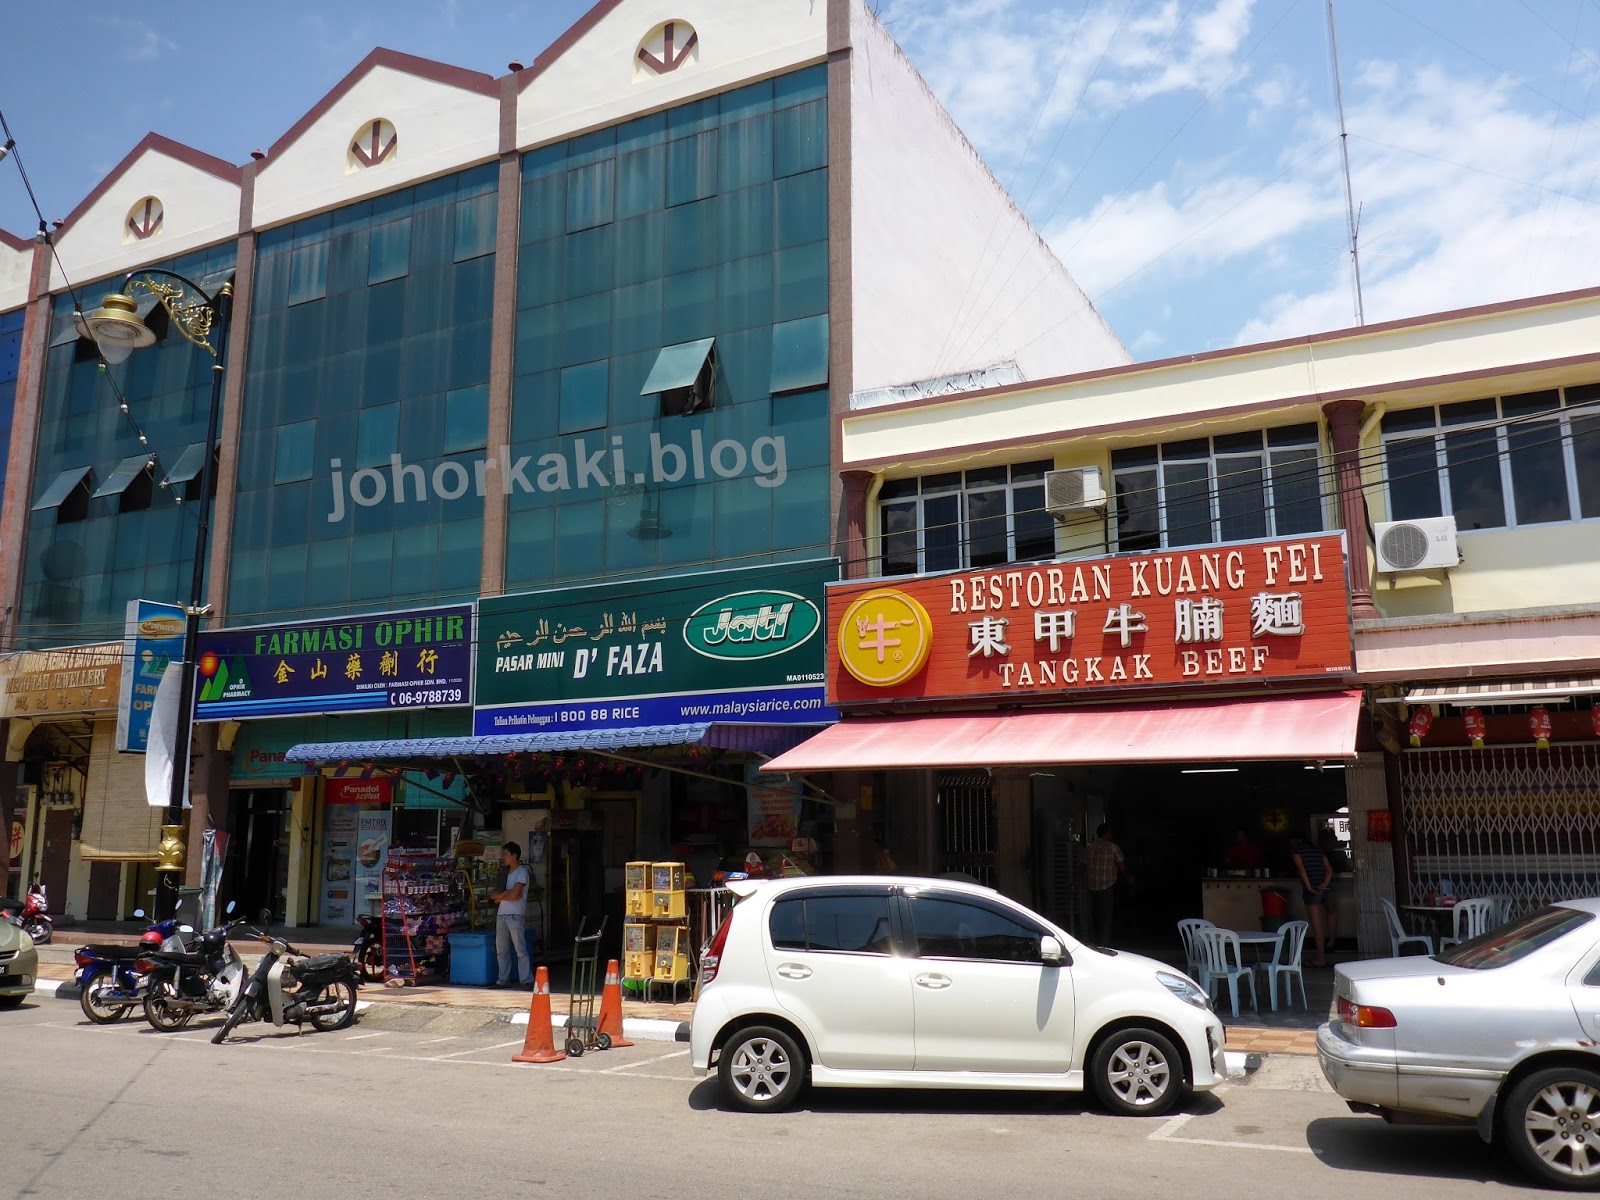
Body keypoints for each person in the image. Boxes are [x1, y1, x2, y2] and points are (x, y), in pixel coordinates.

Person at [490, 841, 533, 988]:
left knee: (520, 949)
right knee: (501, 949)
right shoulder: (503, 873)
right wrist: (505, 894)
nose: (503, 857)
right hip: (502, 914)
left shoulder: (522, 872)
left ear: (514, 855)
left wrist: (502, 896)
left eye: (505, 854)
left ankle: (526, 979)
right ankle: (502, 980)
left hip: (515, 914)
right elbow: (494, 895)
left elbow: (515, 894)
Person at [1291, 833, 1336, 967]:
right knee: (1332, 912)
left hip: (1313, 889)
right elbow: (1329, 869)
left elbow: (1301, 869)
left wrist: (1309, 887)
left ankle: (1320, 959)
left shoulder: (1296, 849)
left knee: (1317, 928)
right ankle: (1331, 942)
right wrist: (1325, 884)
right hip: (1326, 887)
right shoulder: (1318, 849)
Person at [1083, 823, 1125, 945]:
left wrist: (1073, 883)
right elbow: (1122, 867)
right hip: (1107, 887)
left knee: (1095, 918)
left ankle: (1094, 944)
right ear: (1107, 833)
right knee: (1106, 919)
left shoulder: (1090, 848)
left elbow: (1083, 866)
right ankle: (1104, 946)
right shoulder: (1113, 847)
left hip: (1092, 888)